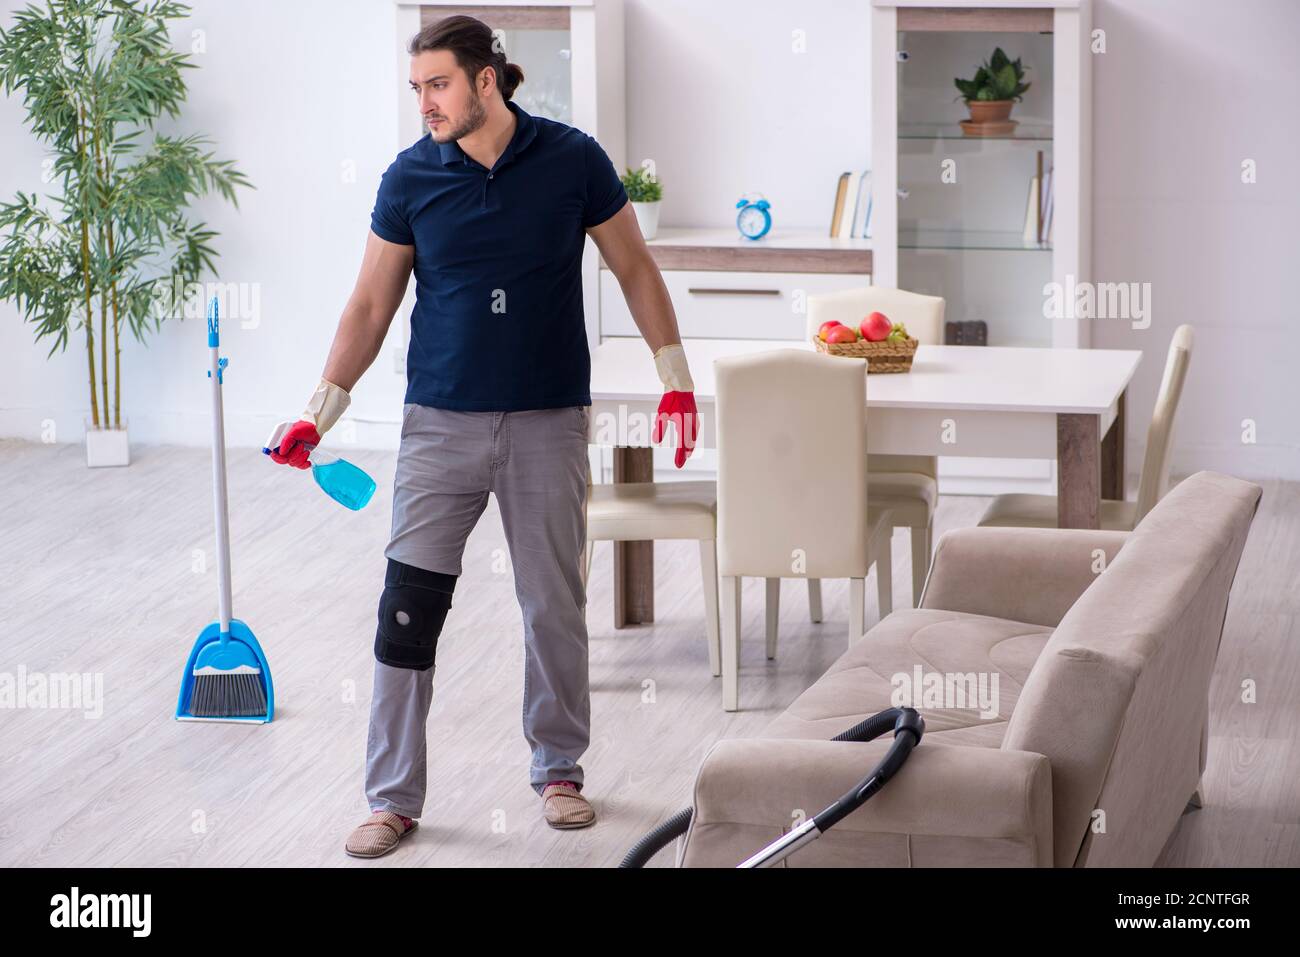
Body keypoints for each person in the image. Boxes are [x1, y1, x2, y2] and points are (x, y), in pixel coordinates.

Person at [267, 14, 698, 859]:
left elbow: (634, 266)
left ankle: (560, 768)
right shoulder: (411, 178)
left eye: (438, 85)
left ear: (486, 80)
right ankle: (391, 798)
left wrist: (675, 378)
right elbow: (369, 305)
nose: (425, 103)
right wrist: (319, 408)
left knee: (552, 606)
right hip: (439, 425)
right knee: (406, 609)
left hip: (547, 421)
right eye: (417, 88)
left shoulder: (572, 159)